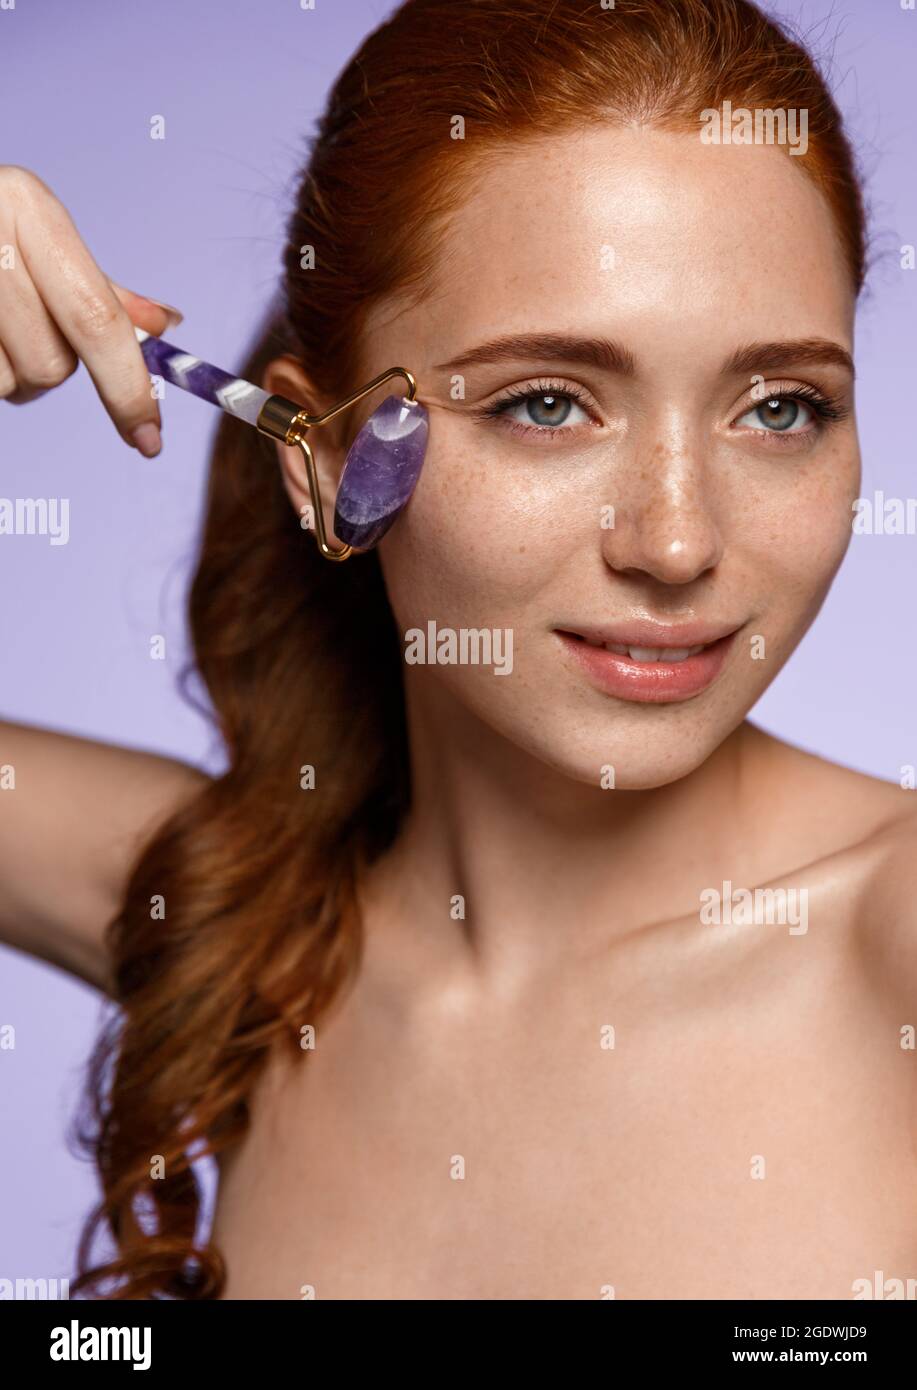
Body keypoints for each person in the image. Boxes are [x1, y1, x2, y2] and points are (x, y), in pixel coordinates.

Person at [2, 0, 915, 1301]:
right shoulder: (236, 917)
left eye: (781, 407)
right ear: (319, 463)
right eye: (546, 402)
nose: (674, 540)